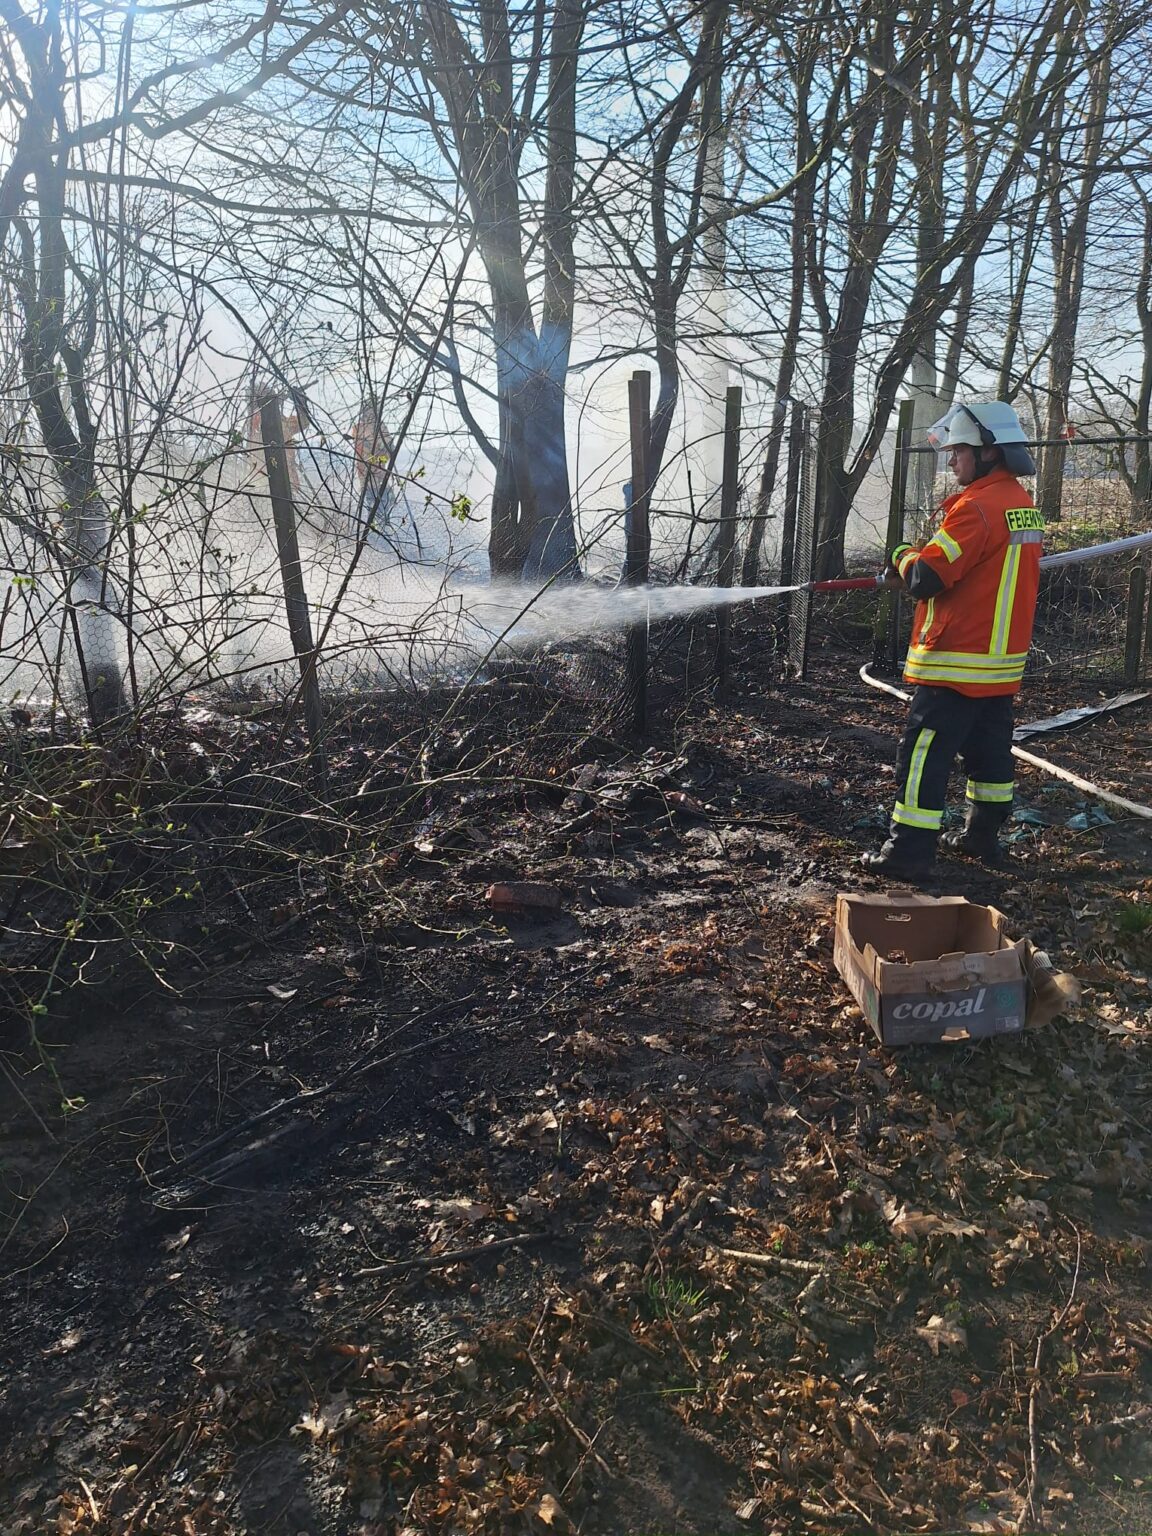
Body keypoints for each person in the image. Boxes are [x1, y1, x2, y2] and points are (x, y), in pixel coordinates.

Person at [862, 401, 1043, 876]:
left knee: (922, 756)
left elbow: (925, 577)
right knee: (989, 757)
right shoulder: (1021, 505)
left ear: (988, 452)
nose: (951, 459)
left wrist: (902, 553)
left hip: (956, 660)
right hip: (999, 664)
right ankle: (981, 840)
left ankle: (907, 854)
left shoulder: (977, 510)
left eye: (959, 450)